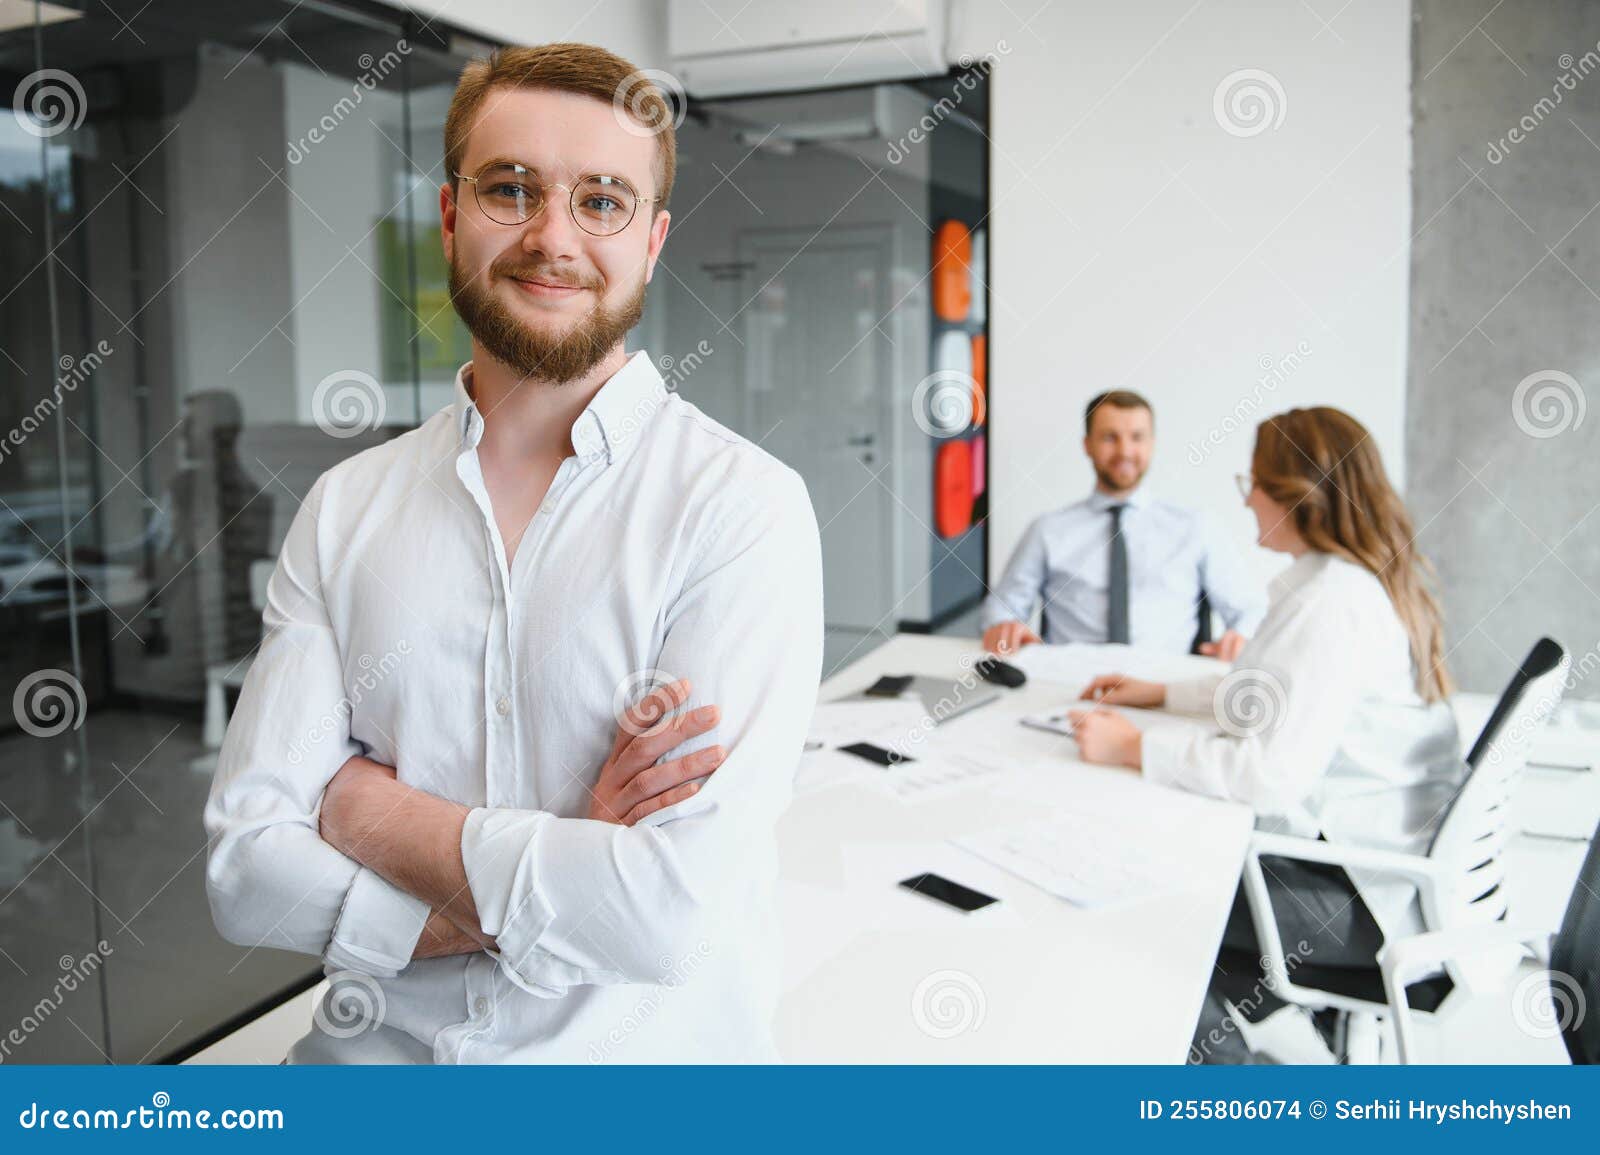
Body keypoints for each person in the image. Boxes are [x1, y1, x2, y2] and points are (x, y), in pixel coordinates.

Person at [203, 42, 823, 1064]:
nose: (552, 236)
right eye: (511, 189)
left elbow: (664, 916)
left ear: (652, 240)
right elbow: (247, 875)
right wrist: (563, 866)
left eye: (602, 200)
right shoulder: (345, 507)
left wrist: (366, 811)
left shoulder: (741, 508)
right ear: (451, 217)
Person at [1068, 405, 1462, 974]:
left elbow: (1270, 777)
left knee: (1133, 892)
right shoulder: (1338, 583)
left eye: (1255, 483)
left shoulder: (1331, 603)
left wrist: (1132, 747)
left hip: (1360, 901)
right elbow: (1273, 690)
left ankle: (1227, 1036)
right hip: (1373, 870)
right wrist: (1162, 694)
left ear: (1298, 496)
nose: (1248, 499)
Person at [979, 390, 1264, 659]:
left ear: (1152, 444)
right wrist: (1004, 627)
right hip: (1071, 679)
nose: (1124, 451)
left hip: (1163, 682)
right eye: (1109, 438)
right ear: (1087, 445)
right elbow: (999, 610)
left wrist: (1241, 636)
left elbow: (1250, 610)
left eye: (1137, 437)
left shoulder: (1197, 527)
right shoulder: (1047, 530)